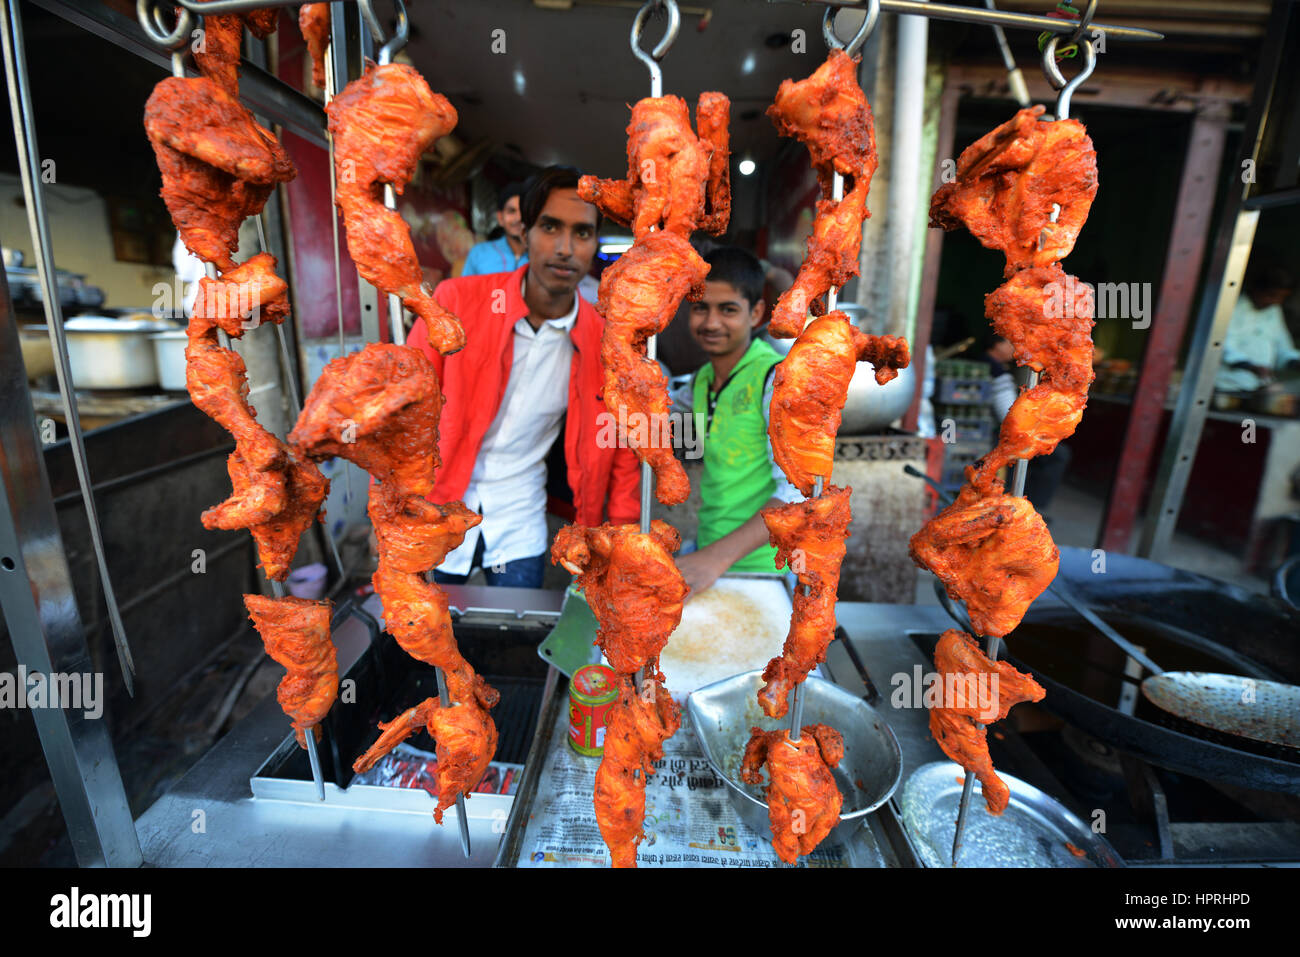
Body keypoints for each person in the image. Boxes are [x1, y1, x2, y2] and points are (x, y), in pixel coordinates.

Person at [408, 166, 640, 587]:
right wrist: (386, 513)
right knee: (421, 644)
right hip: (435, 508)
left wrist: (623, 535)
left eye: (582, 233)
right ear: (525, 233)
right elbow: (399, 414)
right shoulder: (457, 303)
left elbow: (623, 446)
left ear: (595, 244)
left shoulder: (608, 344)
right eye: (550, 227)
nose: (565, 248)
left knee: (515, 641)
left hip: (519, 520)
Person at [671, 247, 801, 594]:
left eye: (728, 310)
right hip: (708, 556)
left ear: (756, 313)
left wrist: (714, 558)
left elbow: (795, 496)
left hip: (765, 572)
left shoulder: (774, 381)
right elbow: (685, 449)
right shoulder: (697, 384)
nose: (712, 323)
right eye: (701, 308)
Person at [1215, 265, 1300, 393]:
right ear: (1256, 289)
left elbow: (1282, 348)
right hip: (1224, 386)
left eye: (1281, 298)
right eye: (1271, 295)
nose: (1276, 302)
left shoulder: (1273, 311)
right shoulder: (1231, 308)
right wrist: (1250, 367)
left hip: (1257, 388)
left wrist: (1294, 362)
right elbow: (1221, 346)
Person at [459, 181, 528, 277]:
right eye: (511, 211)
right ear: (500, 218)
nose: (519, 218)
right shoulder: (479, 253)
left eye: (523, 211)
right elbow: (464, 289)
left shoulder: (539, 255)